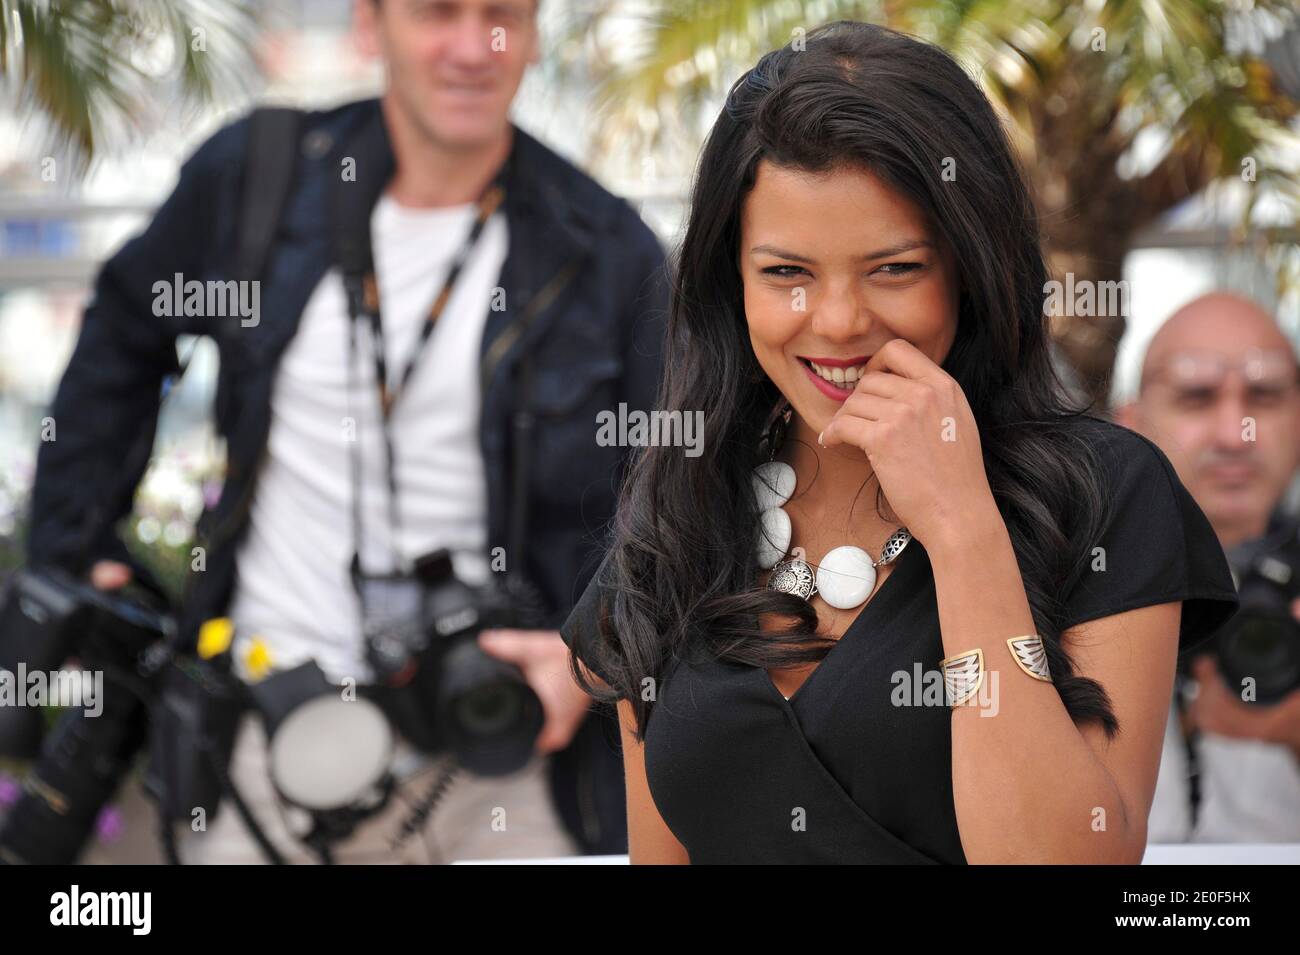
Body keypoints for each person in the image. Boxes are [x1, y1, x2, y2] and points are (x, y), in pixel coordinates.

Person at [560, 20, 1240, 864]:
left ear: (972, 266)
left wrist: (961, 529)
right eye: (786, 273)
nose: (840, 321)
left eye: (893, 269)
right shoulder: (679, 505)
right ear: (729, 282)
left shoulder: (1104, 493)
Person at [25, 0, 667, 862]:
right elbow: (123, 331)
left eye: (502, 15)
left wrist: (588, 659)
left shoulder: (608, 249)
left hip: (505, 760)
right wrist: (76, 548)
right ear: (371, 27)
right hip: (267, 737)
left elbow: (675, 495)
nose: (474, 48)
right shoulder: (259, 176)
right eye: (438, 13)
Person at [1115, 293, 1300, 843]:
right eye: (1196, 397)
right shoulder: (1055, 592)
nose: (1232, 433)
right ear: (1131, 422)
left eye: (1263, 397)